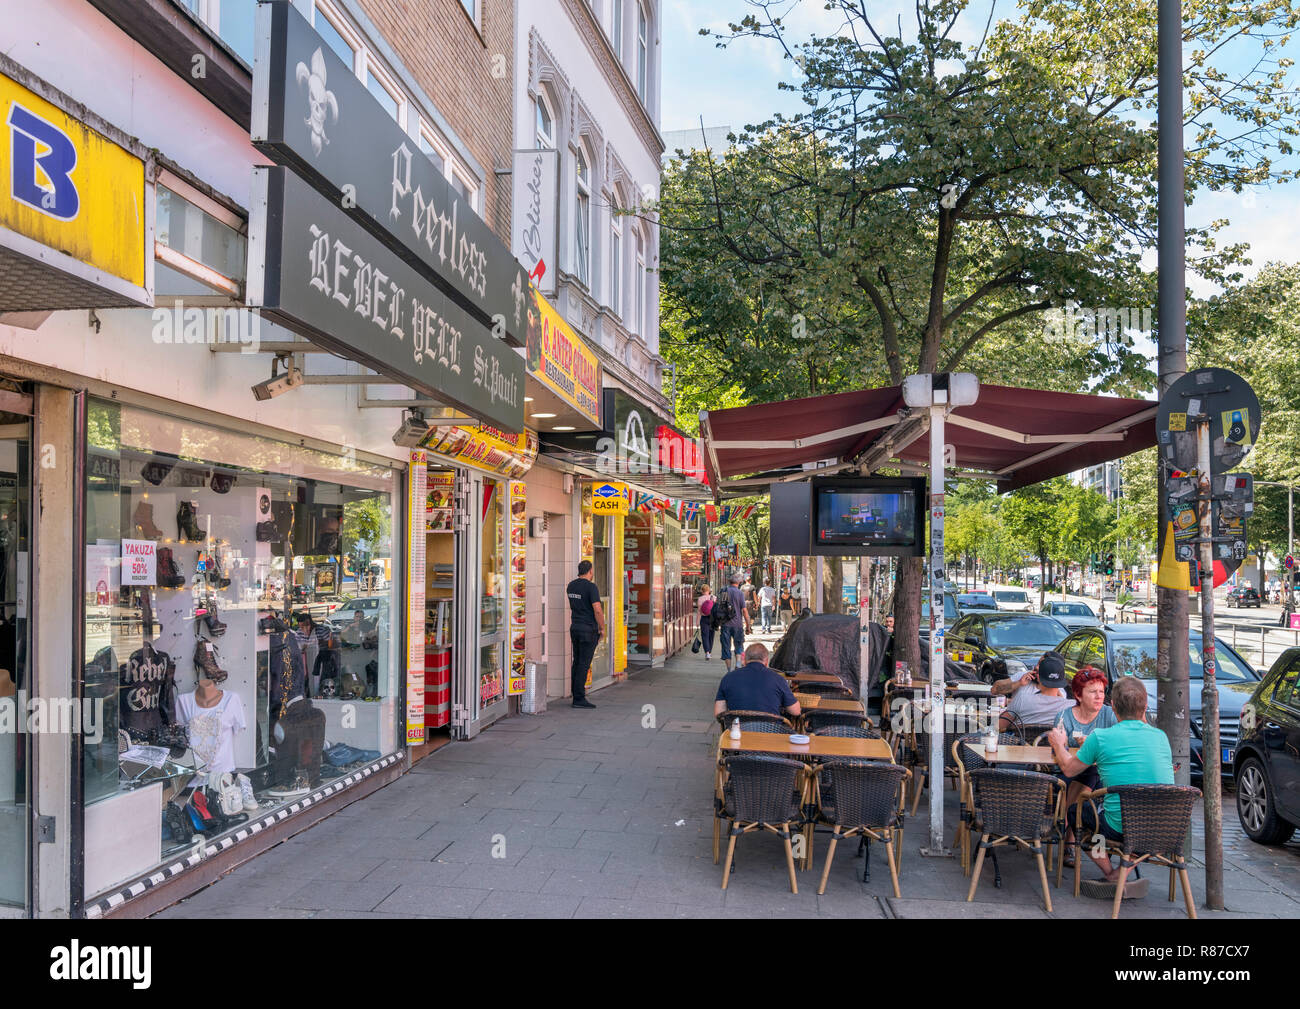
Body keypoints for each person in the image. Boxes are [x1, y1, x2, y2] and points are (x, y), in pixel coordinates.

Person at [1047, 675, 1172, 896]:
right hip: (1164, 828)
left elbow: (1068, 769)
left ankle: (1112, 874)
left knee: (1078, 813)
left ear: (1112, 705)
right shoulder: (1161, 737)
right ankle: (1127, 866)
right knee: (1134, 822)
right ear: (1144, 707)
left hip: (1121, 828)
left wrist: (1058, 744)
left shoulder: (1100, 737)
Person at [1052, 666, 1118, 861]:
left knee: (1093, 780)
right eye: (1092, 692)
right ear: (1079, 696)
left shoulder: (1109, 715)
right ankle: (1090, 847)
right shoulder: (1065, 716)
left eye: (1101, 691)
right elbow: (1059, 749)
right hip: (1069, 774)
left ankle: (1068, 831)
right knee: (1090, 783)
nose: (1099, 696)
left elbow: (1116, 744)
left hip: (1099, 777)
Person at [714, 642, 802, 719]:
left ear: (744, 661)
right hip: (770, 732)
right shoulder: (778, 679)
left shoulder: (728, 678)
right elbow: (795, 711)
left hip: (738, 733)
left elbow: (719, 713)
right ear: (766, 661)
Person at [998, 651, 1074, 733]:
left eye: (1040, 665)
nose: (1036, 667)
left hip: (1022, 744)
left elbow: (998, 726)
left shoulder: (1022, 698)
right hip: (1054, 744)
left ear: (1039, 677)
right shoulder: (1070, 706)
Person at [566, 559, 605, 709]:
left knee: (577, 661)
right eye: (592, 570)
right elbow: (597, 609)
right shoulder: (591, 587)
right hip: (588, 629)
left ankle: (575, 693)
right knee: (583, 663)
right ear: (590, 571)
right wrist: (602, 628)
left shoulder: (571, 585)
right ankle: (579, 698)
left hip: (575, 627)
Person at [718, 572, 751, 672]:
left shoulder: (723, 591)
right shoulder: (739, 593)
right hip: (737, 624)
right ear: (739, 582)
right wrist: (748, 626)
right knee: (739, 645)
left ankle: (729, 670)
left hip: (725, 623)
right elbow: (744, 611)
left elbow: (718, 606)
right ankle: (738, 664)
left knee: (726, 647)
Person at [697, 584, 717, 660]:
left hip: (704, 618)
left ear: (702, 591)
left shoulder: (700, 599)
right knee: (711, 636)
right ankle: (710, 652)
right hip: (713, 619)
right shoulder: (714, 598)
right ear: (709, 590)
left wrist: (697, 622)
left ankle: (707, 653)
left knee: (705, 636)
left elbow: (699, 612)